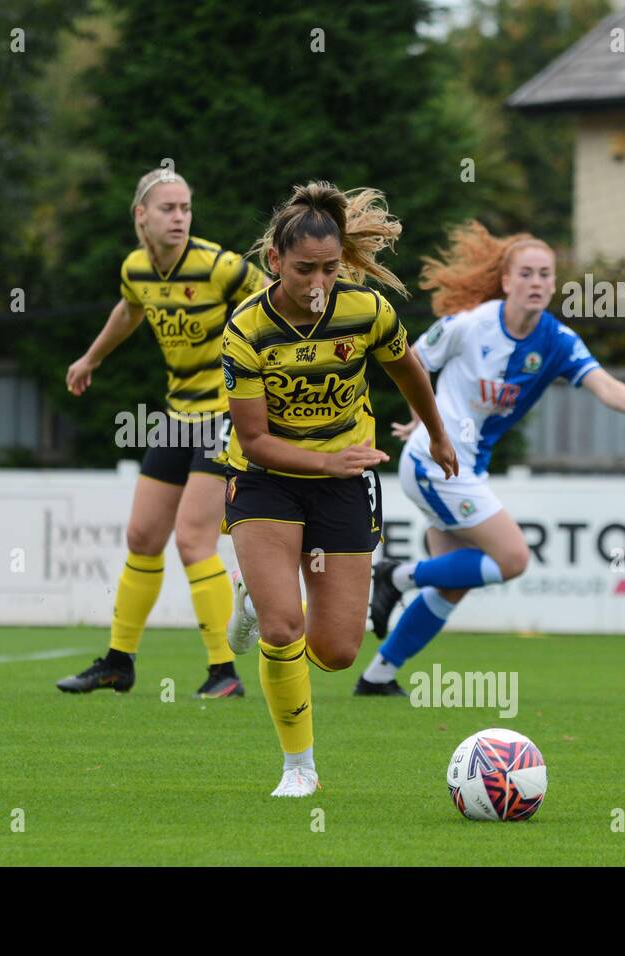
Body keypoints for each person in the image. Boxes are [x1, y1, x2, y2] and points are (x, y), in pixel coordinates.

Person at [355, 221, 625, 696]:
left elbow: (602, 383)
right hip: (434, 464)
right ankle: (395, 575)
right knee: (512, 558)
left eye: (545, 274)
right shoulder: (471, 325)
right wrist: (421, 418)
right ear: (506, 281)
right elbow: (413, 362)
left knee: (452, 584)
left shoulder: (557, 341)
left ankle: (377, 677)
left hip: (465, 469)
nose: (536, 282)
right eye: (526, 274)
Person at [220, 182, 457, 796]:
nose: (318, 283)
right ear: (275, 260)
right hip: (266, 480)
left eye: (330, 268)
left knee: (336, 652)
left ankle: (254, 596)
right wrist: (326, 464)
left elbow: (408, 369)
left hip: (344, 484)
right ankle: (299, 768)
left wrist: (436, 433)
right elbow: (254, 439)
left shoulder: (367, 311)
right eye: (305, 269)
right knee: (282, 629)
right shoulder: (245, 330)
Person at [55, 168, 267, 698]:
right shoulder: (135, 269)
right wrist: (90, 358)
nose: (179, 217)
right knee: (142, 538)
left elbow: (275, 304)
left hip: (224, 414)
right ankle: (118, 663)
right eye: (168, 208)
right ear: (141, 216)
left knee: (194, 540)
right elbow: (130, 310)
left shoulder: (220, 266)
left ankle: (224, 672)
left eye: (185, 208)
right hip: (178, 417)